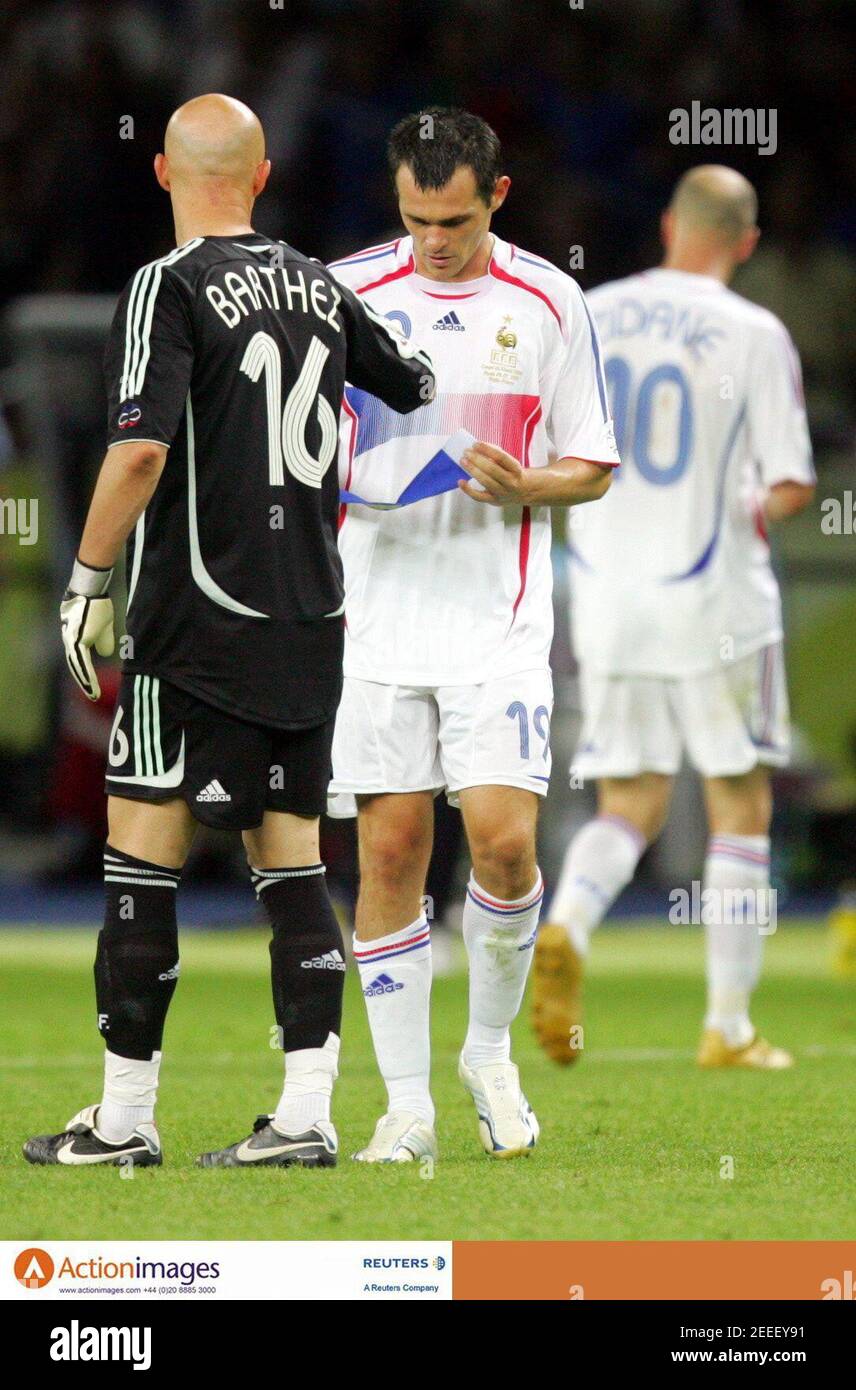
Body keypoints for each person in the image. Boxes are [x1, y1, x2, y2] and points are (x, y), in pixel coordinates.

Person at [24, 94, 433, 1169]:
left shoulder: (166, 285)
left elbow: (140, 452)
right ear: (258, 177)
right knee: (292, 866)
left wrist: (86, 579)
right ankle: (306, 1114)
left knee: (140, 860)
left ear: (161, 172)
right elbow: (414, 381)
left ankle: (122, 1120)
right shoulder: (317, 282)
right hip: (308, 617)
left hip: (191, 626)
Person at [328, 108, 619, 1162]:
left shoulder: (549, 300)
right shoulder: (346, 293)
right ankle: (405, 1105)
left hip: (496, 620)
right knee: (390, 850)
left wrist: (525, 482)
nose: (432, 241)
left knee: (501, 844)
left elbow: (590, 462)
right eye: (414, 218)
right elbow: (297, 457)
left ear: (495, 199)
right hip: (374, 617)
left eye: (451, 220)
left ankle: (486, 1050)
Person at [533, 166, 815, 1070]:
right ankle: (727, 1025)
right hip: (716, 597)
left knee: (630, 800)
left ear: (667, 223)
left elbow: (551, 445)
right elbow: (791, 483)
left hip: (609, 595)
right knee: (740, 803)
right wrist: (754, 502)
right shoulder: (755, 331)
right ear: (747, 243)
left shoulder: (594, 309)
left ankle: (567, 923)